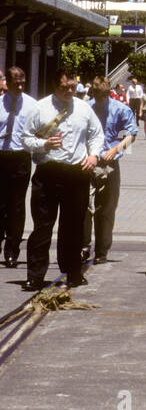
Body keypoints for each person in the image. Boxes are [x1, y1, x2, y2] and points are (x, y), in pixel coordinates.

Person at [22, 69, 103, 289]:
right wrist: (44, 145)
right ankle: (35, 275)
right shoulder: (40, 108)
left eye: (72, 87)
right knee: (42, 226)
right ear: (54, 86)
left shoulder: (84, 109)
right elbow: (25, 138)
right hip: (48, 172)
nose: (69, 91)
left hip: (76, 173)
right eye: (64, 87)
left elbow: (97, 134)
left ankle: (73, 271)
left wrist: (94, 155)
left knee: (74, 226)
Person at [82, 77, 138, 265]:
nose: (101, 100)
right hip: (89, 161)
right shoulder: (86, 108)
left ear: (109, 93)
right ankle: (83, 246)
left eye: (105, 96)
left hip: (110, 163)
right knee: (85, 207)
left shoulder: (120, 109)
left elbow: (132, 134)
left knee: (106, 209)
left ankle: (102, 249)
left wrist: (117, 149)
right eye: (98, 96)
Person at [0, 67, 37, 267]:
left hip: (21, 157)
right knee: (0, 204)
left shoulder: (32, 105)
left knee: (16, 205)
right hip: (1, 155)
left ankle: (12, 249)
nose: (20, 86)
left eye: (23, 83)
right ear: (7, 82)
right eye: (16, 83)